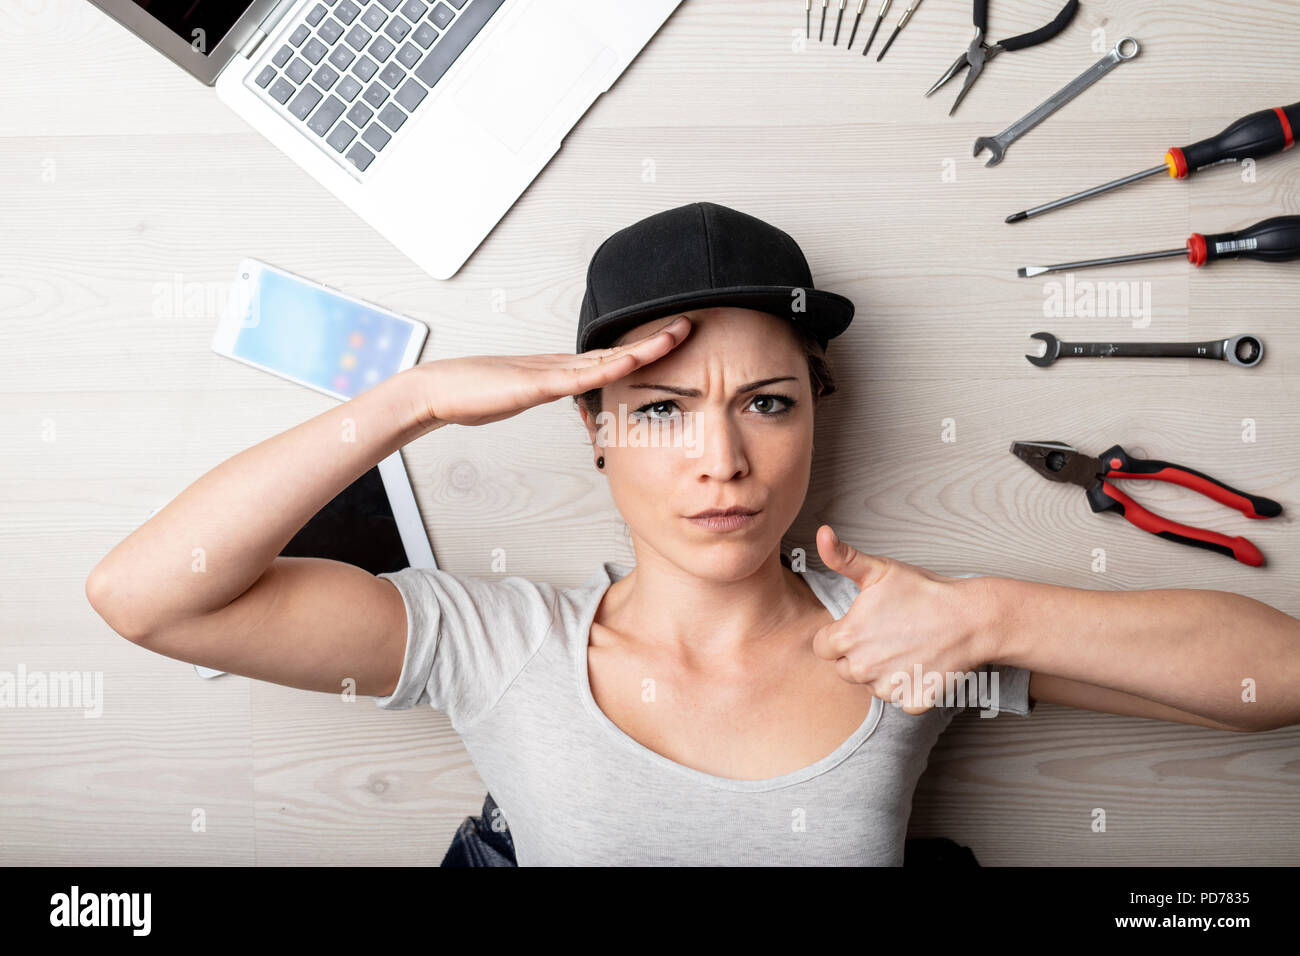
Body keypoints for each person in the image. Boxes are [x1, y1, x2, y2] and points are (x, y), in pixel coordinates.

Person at [86, 202, 1300, 866]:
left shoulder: (905, 635)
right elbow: (149, 597)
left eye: (765, 402)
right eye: (661, 410)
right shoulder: (496, 640)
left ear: (816, 414)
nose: (721, 458)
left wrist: (991, 613)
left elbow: (1274, 678)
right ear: (594, 428)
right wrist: (411, 398)